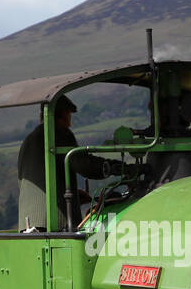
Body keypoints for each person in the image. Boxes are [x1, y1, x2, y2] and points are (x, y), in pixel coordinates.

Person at [17, 96, 117, 231]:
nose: (70, 124)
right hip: (54, 222)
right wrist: (116, 167)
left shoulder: (28, 140)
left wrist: (73, 194)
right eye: (69, 116)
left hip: (27, 223)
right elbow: (84, 164)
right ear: (62, 115)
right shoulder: (58, 133)